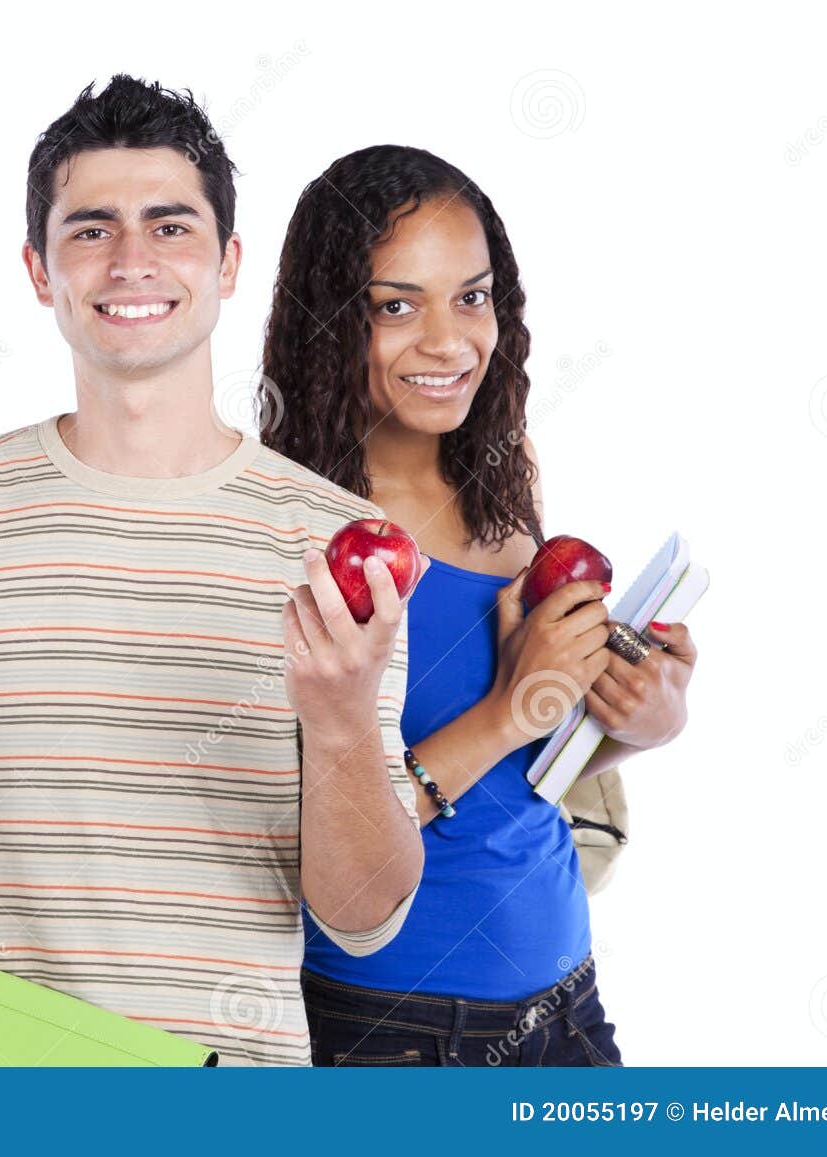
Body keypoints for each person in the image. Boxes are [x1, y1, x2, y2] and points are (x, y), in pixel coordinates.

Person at [0, 76, 423, 1068]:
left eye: (169, 226)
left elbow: (362, 920)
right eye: (90, 229)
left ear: (227, 264)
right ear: (39, 269)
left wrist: (343, 720)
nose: (131, 259)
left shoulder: (332, 537)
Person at [260, 145, 698, 1066]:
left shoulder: (501, 481)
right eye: (396, 305)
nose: (450, 341)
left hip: (567, 1001)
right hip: (392, 1029)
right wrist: (509, 709)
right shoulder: (295, 529)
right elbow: (309, 839)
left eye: (472, 296)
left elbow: (525, 759)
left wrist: (636, 716)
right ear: (330, 322)